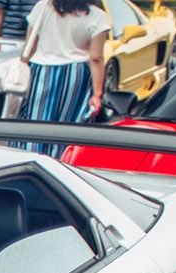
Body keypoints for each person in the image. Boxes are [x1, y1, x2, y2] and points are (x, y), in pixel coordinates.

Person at [18, 0, 109, 157]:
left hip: (42, 71)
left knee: (36, 121)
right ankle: (61, 161)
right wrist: (97, 94)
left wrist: (23, 67)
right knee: (68, 126)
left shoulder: (42, 7)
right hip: (75, 75)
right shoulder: (97, 16)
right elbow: (96, 58)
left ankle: (31, 157)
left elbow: (29, 47)